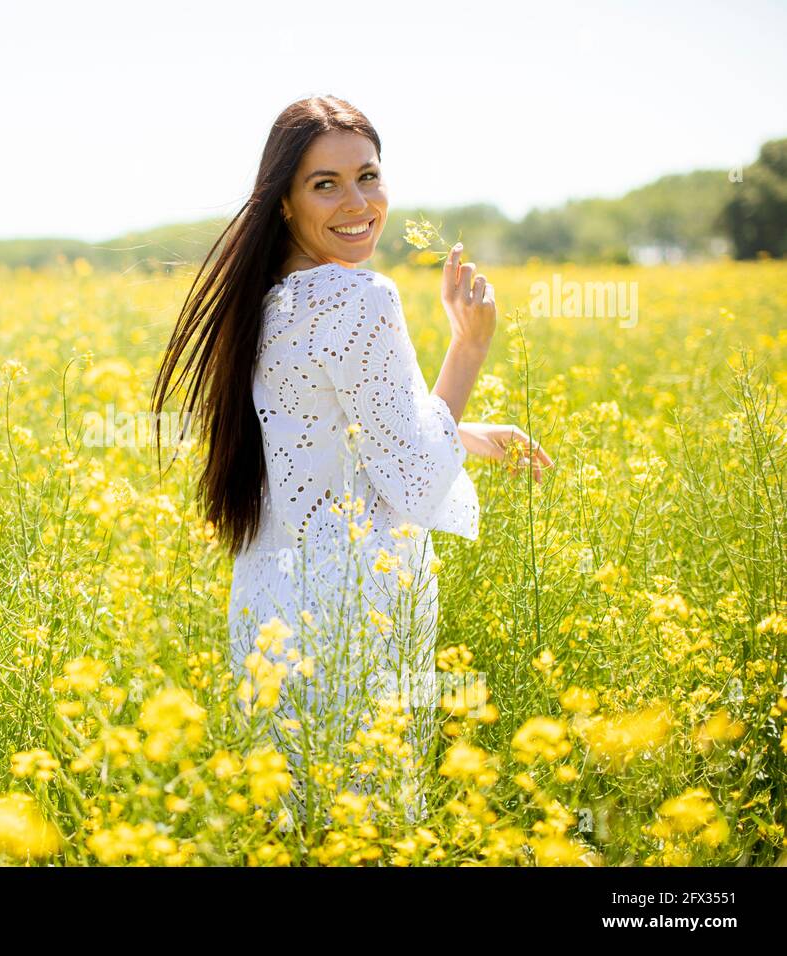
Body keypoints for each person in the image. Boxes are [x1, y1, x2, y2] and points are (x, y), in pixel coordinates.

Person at [151, 95, 552, 826]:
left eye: (368, 175)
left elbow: (328, 424)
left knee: (294, 827)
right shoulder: (361, 296)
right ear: (283, 202)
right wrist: (468, 348)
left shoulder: (268, 300)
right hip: (349, 612)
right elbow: (417, 477)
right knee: (368, 828)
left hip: (269, 607)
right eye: (325, 184)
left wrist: (459, 430)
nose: (358, 202)